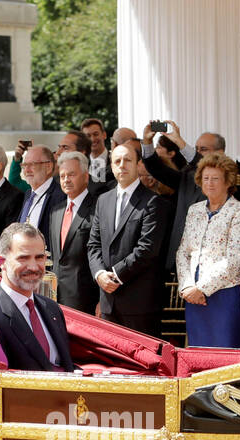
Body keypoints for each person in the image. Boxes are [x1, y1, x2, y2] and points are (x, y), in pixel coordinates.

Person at [86, 141, 170, 337]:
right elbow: (93, 244)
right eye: (117, 161)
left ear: (138, 164)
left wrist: (114, 275)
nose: (122, 165)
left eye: (127, 160)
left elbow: (147, 249)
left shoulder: (154, 202)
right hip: (108, 302)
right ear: (111, 165)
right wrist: (99, 274)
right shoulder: (103, 200)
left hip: (140, 304)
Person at [175, 152, 240, 347]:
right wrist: (186, 286)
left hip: (227, 293)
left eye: (215, 179)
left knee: (226, 350)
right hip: (194, 295)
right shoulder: (194, 210)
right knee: (199, 350)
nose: (209, 183)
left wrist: (201, 289)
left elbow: (235, 259)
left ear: (228, 182)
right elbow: (183, 251)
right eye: (206, 178)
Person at [0, 223, 74, 371]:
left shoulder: (52, 308)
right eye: (23, 258)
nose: (33, 267)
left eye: (39, 257)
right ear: (2, 262)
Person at [141, 121, 225, 275]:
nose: (198, 152)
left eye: (203, 149)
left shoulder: (227, 176)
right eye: (196, 149)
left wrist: (179, 142)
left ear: (220, 152)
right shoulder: (187, 175)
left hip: (210, 264)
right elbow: (156, 169)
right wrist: (147, 142)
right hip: (179, 262)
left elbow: (205, 164)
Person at [46, 151, 99, 314]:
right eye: (62, 176)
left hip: (86, 298)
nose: (66, 180)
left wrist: (102, 300)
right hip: (55, 296)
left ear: (85, 176)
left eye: (71, 174)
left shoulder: (98, 208)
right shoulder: (56, 211)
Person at [15, 146, 64, 230]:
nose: (27, 170)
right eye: (25, 165)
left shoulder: (61, 197)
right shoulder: (28, 194)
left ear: (48, 167)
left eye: (32, 164)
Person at [81, 118, 110, 185]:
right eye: (88, 136)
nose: (92, 139)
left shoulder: (115, 161)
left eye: (96, 134)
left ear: (104, 135)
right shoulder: (81, 164)